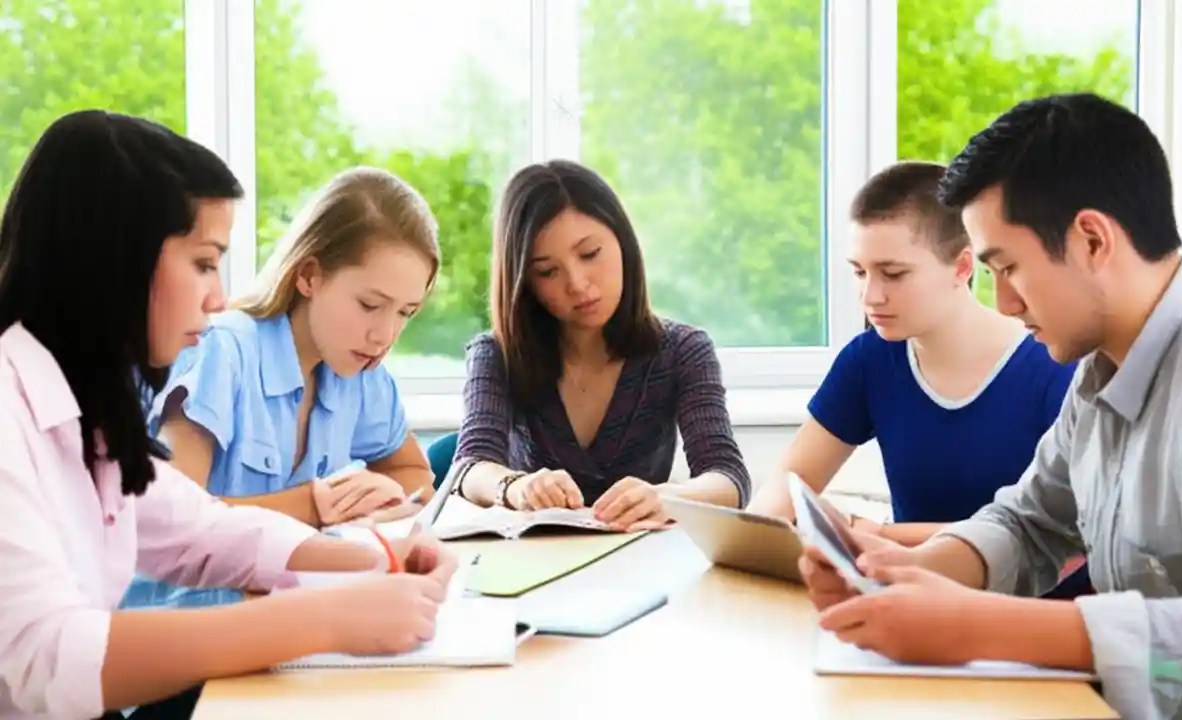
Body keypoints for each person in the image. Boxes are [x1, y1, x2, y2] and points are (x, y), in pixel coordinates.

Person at [798, 93, 1182, 719]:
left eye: (1008, 268)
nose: (1003, 303)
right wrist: (909, 572)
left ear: (1091, 240)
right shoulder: (1101, 372)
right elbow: (1030, 522)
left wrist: (975, 626)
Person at [0, 110, 456, 720]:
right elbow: (49, 660)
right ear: (117, 258)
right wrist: (322, 617)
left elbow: (202, 530)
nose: (218, 298)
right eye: (203, 263)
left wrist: (380, 562)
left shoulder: (85, 412)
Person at [122, 166, 441, 611]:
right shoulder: (220, 352)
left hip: (286, 611)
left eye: (406, 312)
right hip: (185, 618)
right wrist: (314, 505)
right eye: (370, 305)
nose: (385, 335)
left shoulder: (360, 372)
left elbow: (416, 476)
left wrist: (376, 500)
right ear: (309, 275)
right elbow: (173, 523)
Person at [747, 162, 1077, 563]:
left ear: (962, 267)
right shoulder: (869, 359)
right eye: (860, 272)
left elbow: (1054, 533)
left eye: (893, 274)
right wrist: (763, 529)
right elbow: (787, 485)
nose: (870, 296)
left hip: (1032, 596)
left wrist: (879, 534)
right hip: (908, 586)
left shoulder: (1055, 369)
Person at [453, 160, 750, 530]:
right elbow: (469, 466)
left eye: (590, 253)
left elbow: (728, 477)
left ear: (623, 242)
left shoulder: (683, 350)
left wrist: (667, 498)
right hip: (534, 557)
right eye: (547, 271)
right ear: (524, 281)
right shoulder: (497, 354)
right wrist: (515, 487)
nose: (577, 284)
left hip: (639, 555)